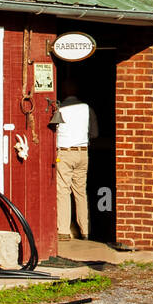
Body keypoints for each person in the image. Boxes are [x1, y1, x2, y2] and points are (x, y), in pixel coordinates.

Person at [52, 93, 98, 240]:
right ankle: (85, 230)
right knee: (80, 192)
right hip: (83, 152)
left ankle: (64, 230)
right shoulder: (87, 108)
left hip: (65, 152)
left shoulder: (60, 109)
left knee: (63, 191)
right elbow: (95, 133)